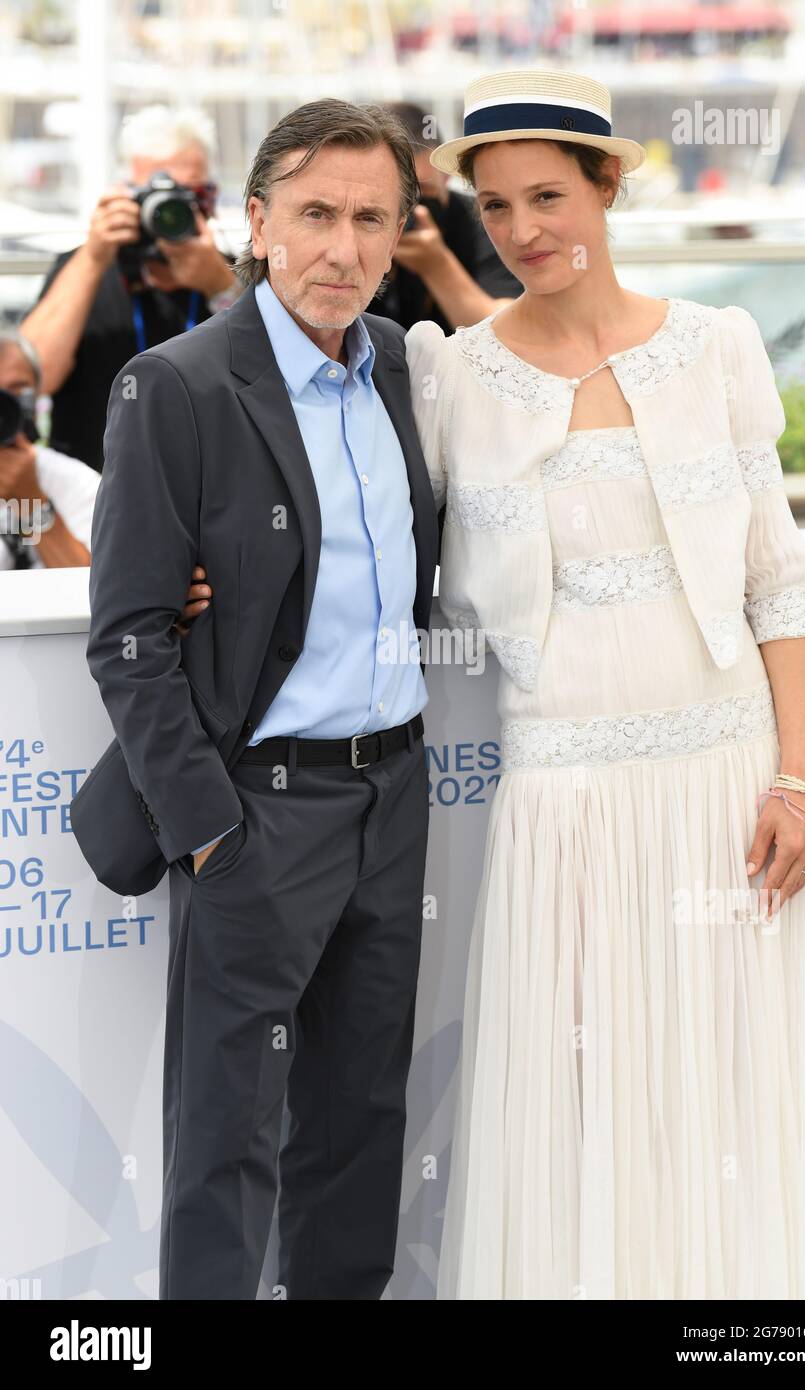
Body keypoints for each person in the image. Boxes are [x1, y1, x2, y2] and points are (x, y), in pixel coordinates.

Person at [403, 69, 805, 1298]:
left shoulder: (718, 346)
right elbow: (372, 550)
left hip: (725, 791)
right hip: (563, 809)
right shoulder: (451, 378)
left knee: (724, 1110)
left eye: (548, 194)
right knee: (576, 1107)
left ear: (607, 184)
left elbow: (776, 584)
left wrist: (798, 780)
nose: (524, 230)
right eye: (493, 207)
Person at [70, 99, 438, 1300]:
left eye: (371, 219)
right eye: (318, 215)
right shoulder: (173, 387)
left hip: (392, 795)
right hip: (258, 815)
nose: (344, 248)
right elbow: (128, 639)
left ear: (399, 233)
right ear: (257, 222)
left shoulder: (398, 376)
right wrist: (213, 833)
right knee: (228, 1140)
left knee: (360, 1121)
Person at [20, 105, 242, 471]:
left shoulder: (234, 274)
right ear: (124, 196)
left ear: (210, 198)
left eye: (187, 195)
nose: (168, 211)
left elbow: (281, 365)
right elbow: (33, 377)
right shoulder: (85, 269)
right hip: (94, 492)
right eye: (151, 195)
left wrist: (221, 286)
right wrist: (93, 258)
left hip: (209, 494)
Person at [368, 102, 520, 332]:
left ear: (446, 176)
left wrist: (437, 266)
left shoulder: (484, 221)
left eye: (421, 193)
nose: (408, 212)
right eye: (394, 198)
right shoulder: (351, 230)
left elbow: (511, 333)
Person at [0, 330, 98, 569]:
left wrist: (32, 502)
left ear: (37, 395)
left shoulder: (77, 482)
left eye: (16, 390)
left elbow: (91, 591)